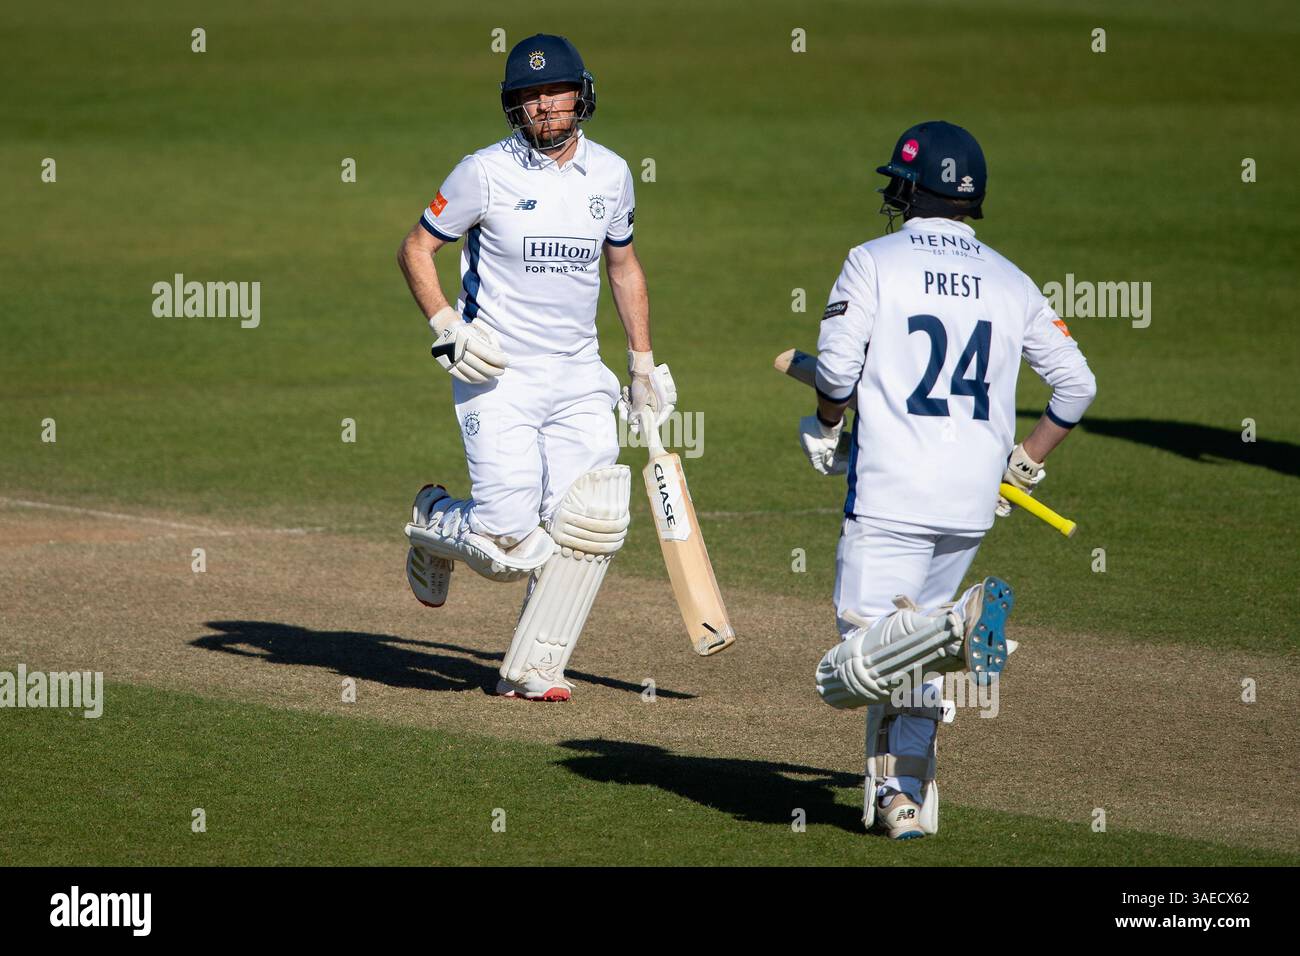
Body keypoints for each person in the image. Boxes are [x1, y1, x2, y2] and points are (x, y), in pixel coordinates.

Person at [800, 121, 1097, 838]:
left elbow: (837, 373)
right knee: (913, 661)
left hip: (892, 490)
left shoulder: (872, 260)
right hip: (971, 499)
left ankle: (957, 625)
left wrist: (827, 423)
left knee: (848, 664)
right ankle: (899, 800)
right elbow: (1077, 385)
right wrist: (1027, 460)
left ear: (907, 189)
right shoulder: (1009, 277)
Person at [396, 33, 675, 702]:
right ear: (512, 106)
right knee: (505, 546)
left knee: (587, 526)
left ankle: (533, 665)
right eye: (530, 95)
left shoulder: (610, 173)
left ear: (582, 95)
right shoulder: (483, 172)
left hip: (579, 373)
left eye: (556, 92)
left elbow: (624, 265)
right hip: (497, 370)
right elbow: (415, 249)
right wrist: (447, 331)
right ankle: (436, 521)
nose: (545, 105)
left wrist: (641, 363)